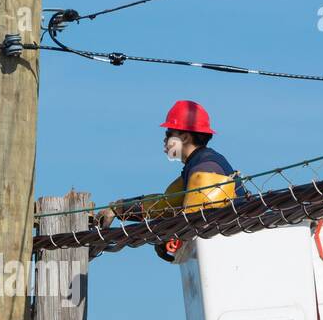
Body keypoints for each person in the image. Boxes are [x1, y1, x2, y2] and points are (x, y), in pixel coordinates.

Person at [96, 100, 237, 260]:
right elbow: (165, 204)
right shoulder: (197, 166)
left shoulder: (204, 170)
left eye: (169, 134)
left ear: (184, 136)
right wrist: (118, 209)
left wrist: (169, 237)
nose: (164, 141)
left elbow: (195, 222)